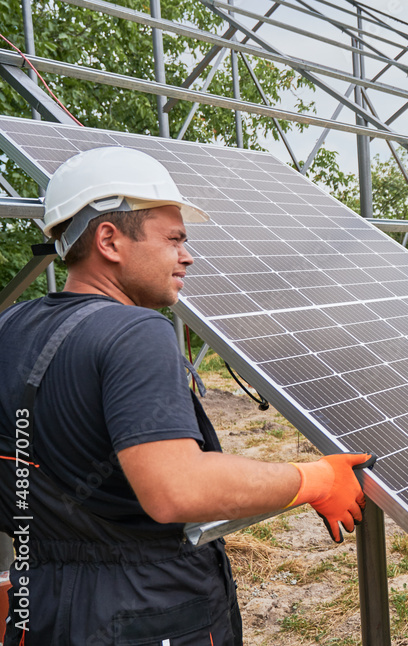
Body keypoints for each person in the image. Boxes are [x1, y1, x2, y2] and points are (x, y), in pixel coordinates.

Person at [0, 146, 372, 645]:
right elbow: (177, 488)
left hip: (40, 606)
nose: (187, 255)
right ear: (109, 240)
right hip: (148, 612)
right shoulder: (134, 332)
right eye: (173, 239)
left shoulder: (10, 327)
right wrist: (313, 478)